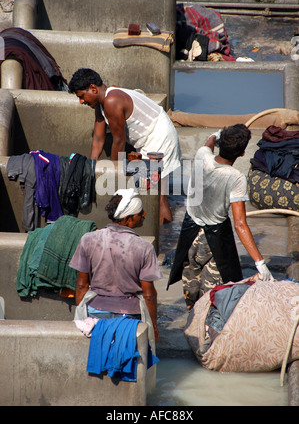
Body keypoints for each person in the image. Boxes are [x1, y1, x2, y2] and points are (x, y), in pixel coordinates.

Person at [167, 124, 274, 312]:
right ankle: (207, 336)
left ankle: (192, 326)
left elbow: (208, 143)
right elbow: (240, 224)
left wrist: (214, 135)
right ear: (241, 154)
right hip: (214, 240)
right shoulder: (236, 177)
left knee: (191, 292)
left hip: (189, 235)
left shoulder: (201, 155)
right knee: (212, 298)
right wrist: (260, 262)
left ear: (219, 144)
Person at [68, 68, 182, 224]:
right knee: (151, 192)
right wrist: (91, 167)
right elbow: (98, 138)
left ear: (93, 89)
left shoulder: (111, 101)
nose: (81, 101)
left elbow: (119, 141)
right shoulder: (101, 103)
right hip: (151, 137)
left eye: (82, 96)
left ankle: (163, 240)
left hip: (159, 137)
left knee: (155, 196)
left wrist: (115, 175)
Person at [69, 188, 161, 342]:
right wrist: (155, 327)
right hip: (130, 316)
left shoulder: (88, 239)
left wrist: (82, 315)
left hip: (95, 312)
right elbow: (149, 294)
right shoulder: (144, 247)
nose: (144, 214)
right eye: (140, 213)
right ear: (128, 218)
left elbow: (81, 285)